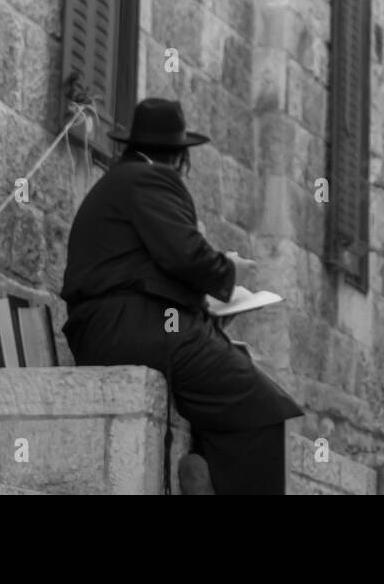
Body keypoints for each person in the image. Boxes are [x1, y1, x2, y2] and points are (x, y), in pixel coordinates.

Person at [61, 97, 303, 494]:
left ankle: (206, 475)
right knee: (262, 406)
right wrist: (230, 271)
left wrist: (207, 304)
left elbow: (156, 267)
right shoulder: (153, 179)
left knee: (233, 365)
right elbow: (187, 256)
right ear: (178, 157)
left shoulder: (122, 180)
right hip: (133, 328)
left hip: (112, 329)